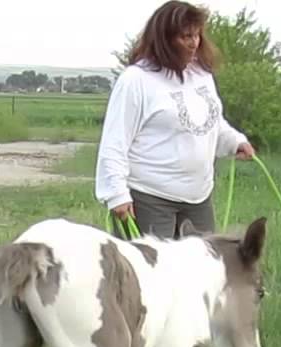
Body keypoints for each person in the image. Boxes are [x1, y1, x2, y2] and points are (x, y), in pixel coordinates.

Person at [94, 1, 256, 240]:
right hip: (150, 196)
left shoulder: (202, 76)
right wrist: (117, 194)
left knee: (199, 272)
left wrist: (235, 141)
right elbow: (114, 141)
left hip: (198, 197)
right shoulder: (136, 80)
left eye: (197, 35)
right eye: (185, 36)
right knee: (151, 274)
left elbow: (212, 122)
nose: (194, 43)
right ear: (164, 39)